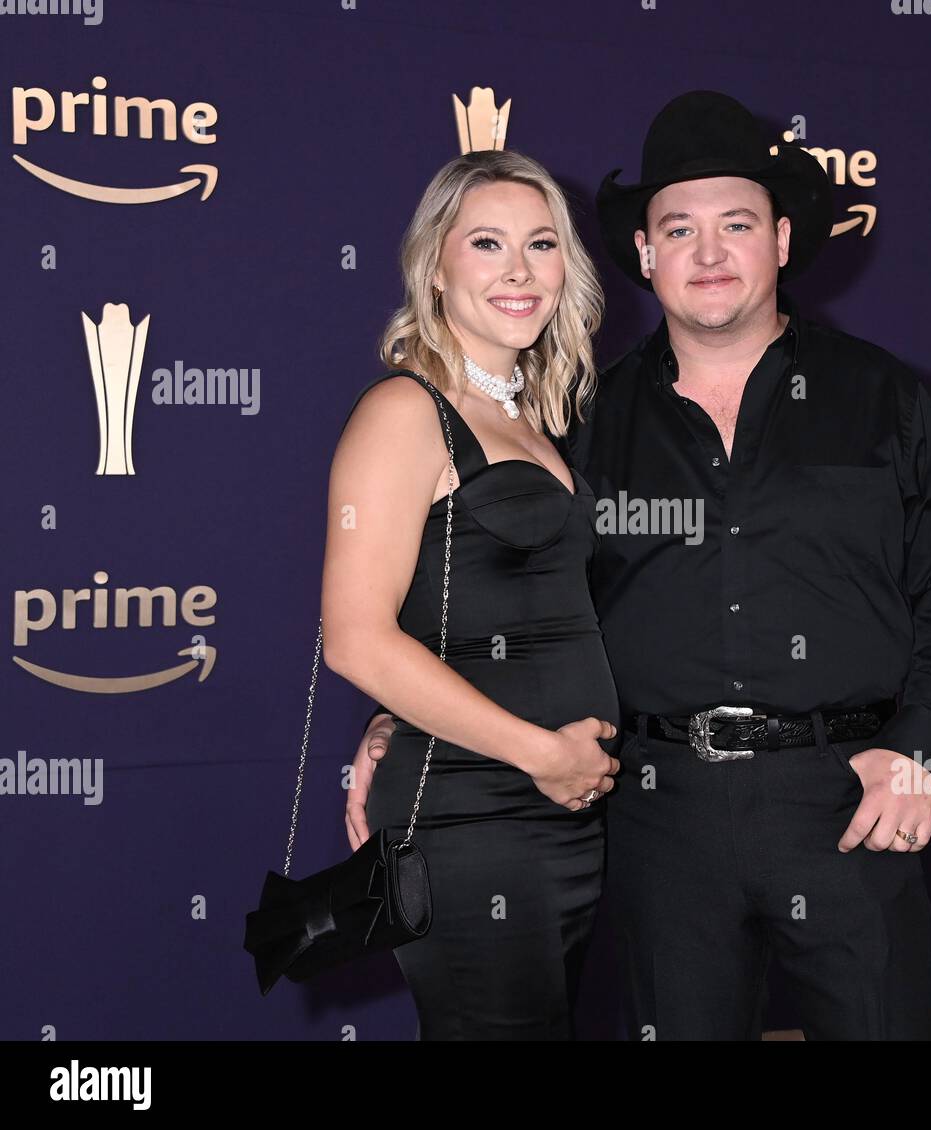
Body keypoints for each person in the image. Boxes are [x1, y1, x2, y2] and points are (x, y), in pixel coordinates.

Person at [352, 90, 931, 1040]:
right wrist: (397, 713)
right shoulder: (580, 421)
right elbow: (514, 595)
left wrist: (920, 748)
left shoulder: (884, 398)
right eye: (679, 229)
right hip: (656, 813)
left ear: (782, 241)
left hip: (846, 797)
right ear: (645, 255)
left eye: (736, 224)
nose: (708, 254)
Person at [323, 148, 621, 1040]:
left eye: (542, 244)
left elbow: (484, 608)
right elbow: (355, 639)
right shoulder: (405, 413)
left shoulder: (536, 419)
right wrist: (540, 752)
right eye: (487, 244)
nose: (520, 271)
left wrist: (394, 721)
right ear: (436, 267)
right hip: (472, 816)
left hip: (556, 813)